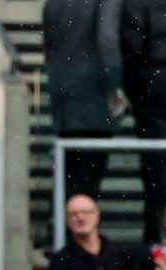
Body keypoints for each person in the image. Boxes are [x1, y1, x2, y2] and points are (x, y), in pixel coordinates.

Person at [119, 0, 166, 239]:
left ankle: (157, 237)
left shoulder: (136, 7)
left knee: (156, 177)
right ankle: (164, 236)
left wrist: (136, 94)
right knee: (162, 176)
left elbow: (132, 53)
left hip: (154, 100)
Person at [43, 0, 123, 201]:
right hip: (93, 93)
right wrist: (116, 82)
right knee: (89, 176)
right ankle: (78, 229)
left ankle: (61, 226)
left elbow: (49, 43)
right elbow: (107, 37)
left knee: (68, 172)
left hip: (62, 91)